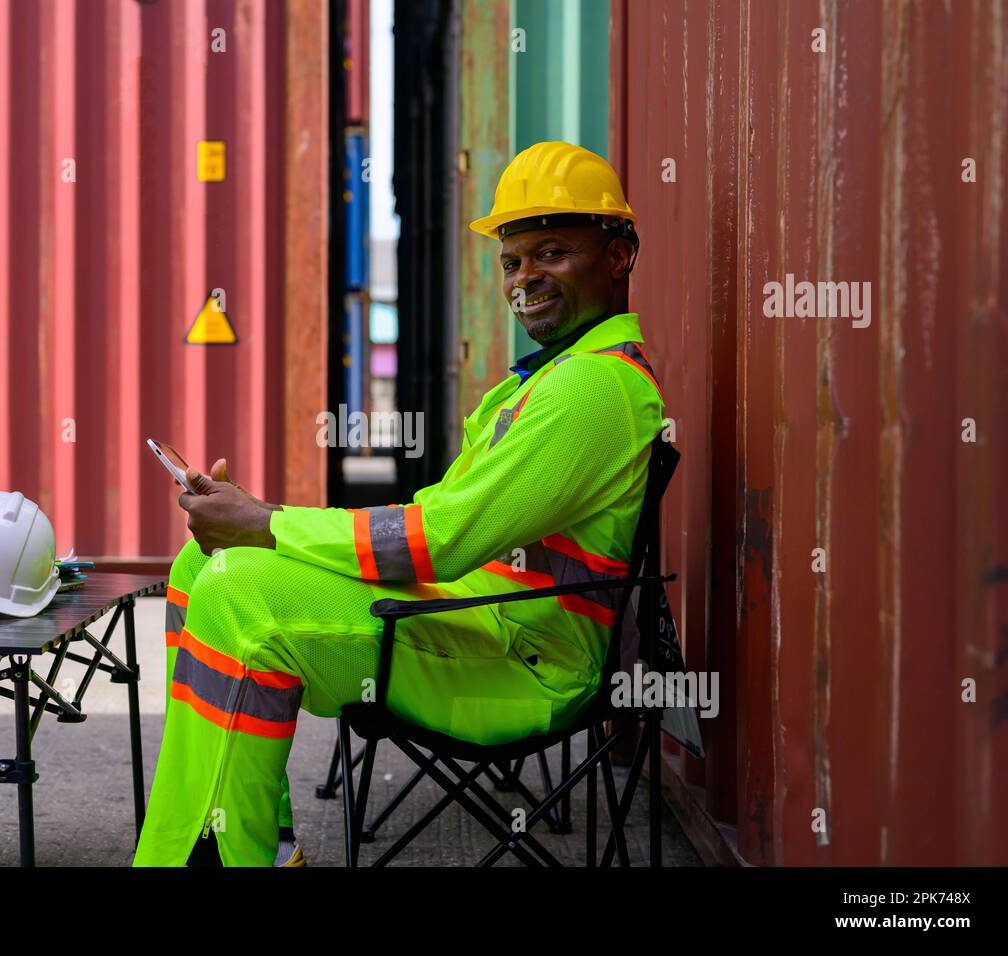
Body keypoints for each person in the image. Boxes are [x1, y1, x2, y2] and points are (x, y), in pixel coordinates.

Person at [133, 141, 665, 866]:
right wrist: (259, 521)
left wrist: (268, 527)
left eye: (552, 252)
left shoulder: (591, 388)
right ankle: (244, 838)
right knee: (205, 562)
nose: (525, 277)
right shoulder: (541, 383)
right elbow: (432, 520)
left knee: (239, 595)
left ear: (618, 256)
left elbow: (436, 542)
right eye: (512, 261)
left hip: (519, 665)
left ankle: (201, 857)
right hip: (469, 617)